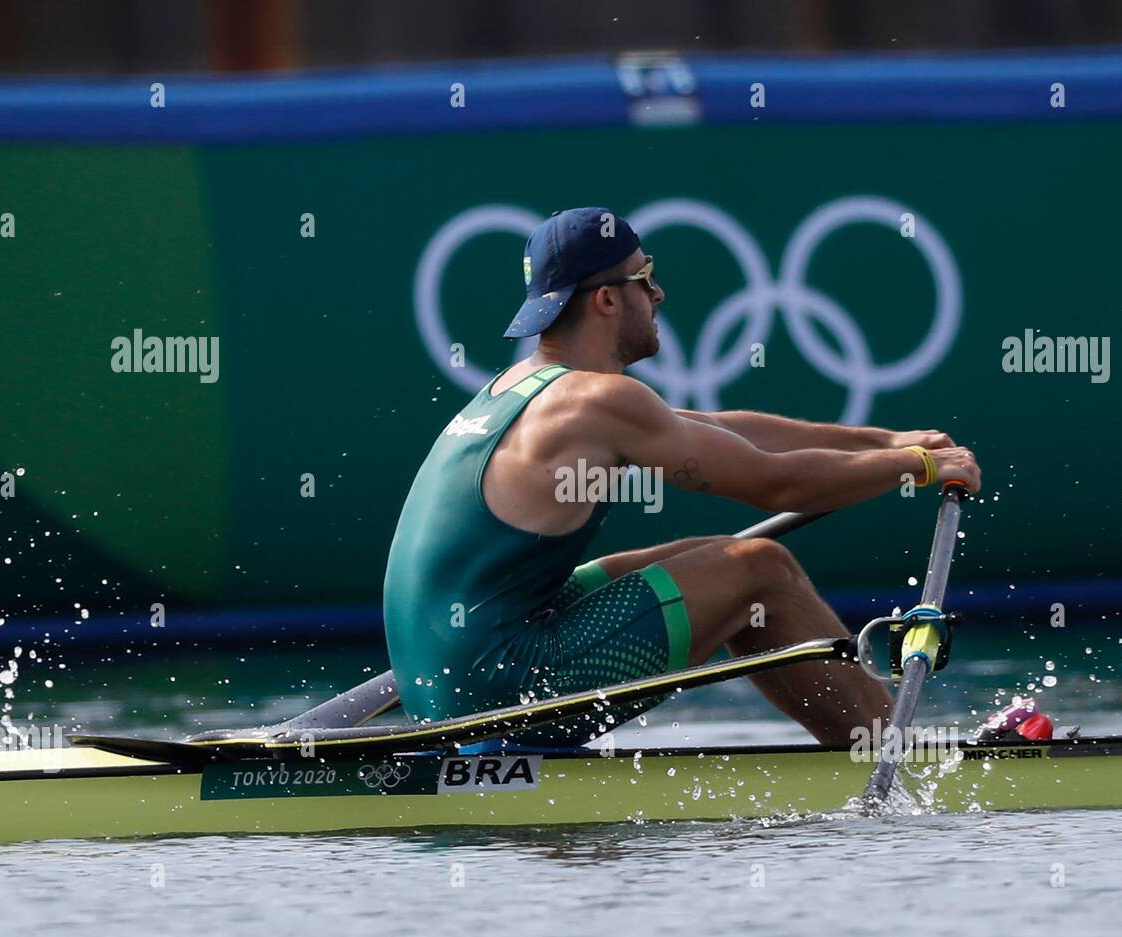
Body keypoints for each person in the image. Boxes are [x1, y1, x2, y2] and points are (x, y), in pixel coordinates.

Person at [384, 207, 980, 748]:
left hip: (451, 679)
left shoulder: (519, 390)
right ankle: (903, 755)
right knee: (759, 570)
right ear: (607, 300)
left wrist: (887, 442)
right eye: (645, 277)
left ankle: (870, 736)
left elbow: (727, 429)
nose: (660, 292)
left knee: (704, 557)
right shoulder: (597, 401)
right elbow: (779, 484)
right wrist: (918, 467)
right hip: (500, 695)